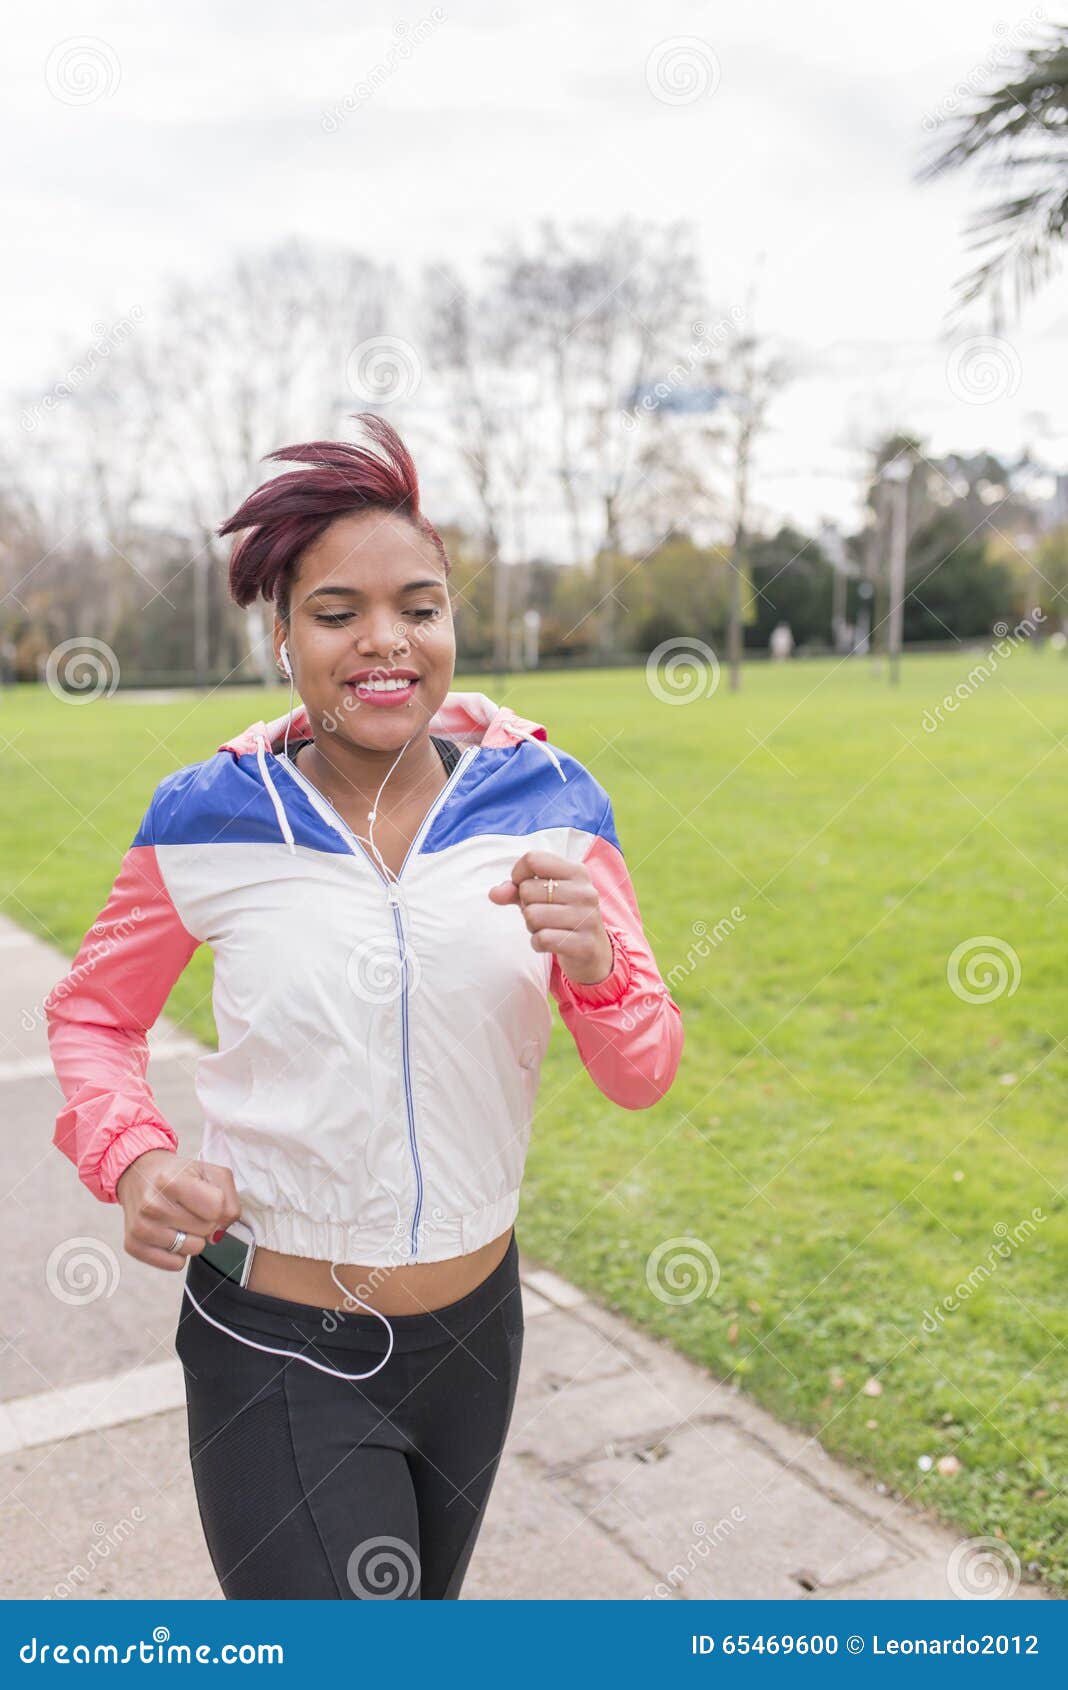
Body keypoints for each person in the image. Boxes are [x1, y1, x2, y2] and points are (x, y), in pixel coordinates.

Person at [44, 413, 685, 1601]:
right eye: (337, 613)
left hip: (475, 1338)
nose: (386, 641)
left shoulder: (552, 797)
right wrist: (131, 1158)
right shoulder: (205, 818)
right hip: (277, 1347)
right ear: (280, 636)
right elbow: (92, 1015)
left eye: (421, 606)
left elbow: (643, 1065)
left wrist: (597, 967)